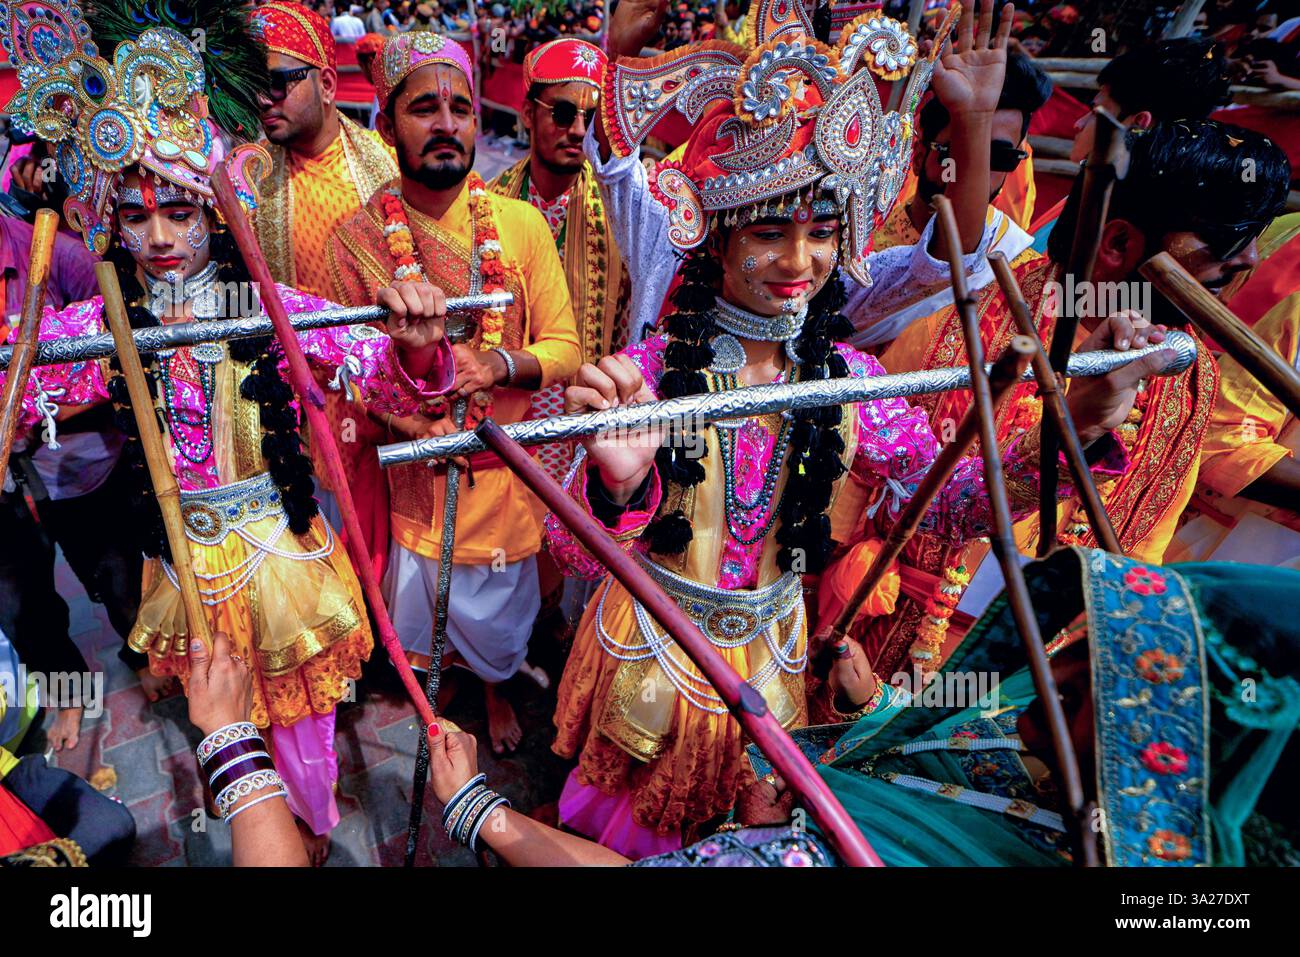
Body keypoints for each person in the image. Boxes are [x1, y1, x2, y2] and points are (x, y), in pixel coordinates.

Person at [543, 0, 1159, 858]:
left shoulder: (847, 382)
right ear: (712, 241)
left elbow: (950, 503)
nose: (800, 263)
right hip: (649, 657)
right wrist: (617, 487)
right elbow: (569, 551)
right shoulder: (648, 378)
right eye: (769, 232)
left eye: (822, 232)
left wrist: (1071, 430)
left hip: (773, 659)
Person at [0, 0, 457, 865]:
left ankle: (309, 836)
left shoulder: (273, 312)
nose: (161, 238)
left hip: (279, 557)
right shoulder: (105, 323)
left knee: (305, 738)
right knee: (224, 729)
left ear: (217, 212)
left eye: (179, 211)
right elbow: (20, 385)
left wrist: (420, 349)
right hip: (188, 566)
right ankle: (258, 825)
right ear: (112, 226)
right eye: (135, 217)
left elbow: (390, 377)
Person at [424, 547, 1300, 867]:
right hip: (656, 639)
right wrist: (879, 705)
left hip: (762, 655)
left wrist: (476, 812)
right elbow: (956, 745)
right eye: (1076, 645)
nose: (1051, 670)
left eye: (1090, 694)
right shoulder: (1073, 779)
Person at [840, 120, 1289, 681]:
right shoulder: (970, 325)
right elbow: (854, 498)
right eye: (1228, 237)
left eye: (1255, 236)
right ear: (1120, 243)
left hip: (1039, 681)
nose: (1249, 258)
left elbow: (1140, 555)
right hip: (888, 646)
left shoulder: (1187, 372)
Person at [328, 32, 582, 754]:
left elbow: (565, 350)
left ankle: (496, 685)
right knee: (425, 610)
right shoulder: (355, 241)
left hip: (505, 474)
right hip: (415, 477)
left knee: (500, 619)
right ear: (387, 126)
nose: (446, 123)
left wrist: (497, 366)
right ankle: (435, 681)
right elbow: (343, 374)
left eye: (462, 108)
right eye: (424, 108)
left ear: (478, 123)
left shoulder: (523, 225)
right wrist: (406, 421)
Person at [250, 2, 401, 580]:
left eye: (280, 83)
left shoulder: (381, 167)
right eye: (254, 86)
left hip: (375, 403)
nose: (265, 99)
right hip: (291, 407)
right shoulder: (250, 177)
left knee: (379, 562)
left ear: (329, 83)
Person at [0, 213, 139, 748]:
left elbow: (122, 363)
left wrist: (36, 416)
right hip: (7, 495)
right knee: (20, 607)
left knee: (120, 584)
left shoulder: (59, 255)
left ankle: (143, 655)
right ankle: (69, 692)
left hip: (82, 467)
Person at [489, 39, 629, 484]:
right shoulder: (488, 205)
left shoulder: (621, 210)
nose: (577, 131)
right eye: (564, 113)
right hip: (508, 418)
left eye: (591, 120)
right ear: (528, 114)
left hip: (595, 424)